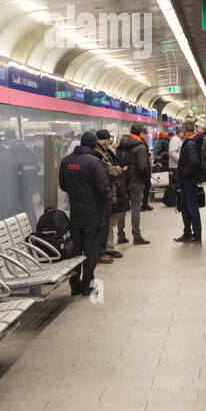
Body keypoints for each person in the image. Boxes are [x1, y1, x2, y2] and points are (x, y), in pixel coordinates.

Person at [59, 131, 111, 295]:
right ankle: (87, 285)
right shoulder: (94, 162)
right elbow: (103, 188)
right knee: (90, 251)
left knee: (76, 250)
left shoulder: (66, 161)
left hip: (75, 212)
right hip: (93, 213)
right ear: (94, 144)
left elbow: (63, 186)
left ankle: (75, 284)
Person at [116, 123, 151, 244]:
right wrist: (146, 179)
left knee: (122, 208)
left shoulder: (122, 143)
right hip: (136, 181)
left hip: (122, 179)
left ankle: (121, 235)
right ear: (141, 133)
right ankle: (137, 236)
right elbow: (142, 166)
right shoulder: (140, 147)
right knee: (135, 208)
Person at [95, 130, 125, 262]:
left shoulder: (103, 152)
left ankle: (108, 248)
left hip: (108, 191)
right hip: (105, 192)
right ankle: (105, 249)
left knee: (111, 221)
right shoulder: (99, 154)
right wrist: (119, 169)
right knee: (107, 222)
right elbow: (110, 171)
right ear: (106, 141)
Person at [174, 119, 204, 242]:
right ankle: (187, 233)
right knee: (185, 206)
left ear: (184, 129)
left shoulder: (191, 143)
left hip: (189, 180)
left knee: (192, 207)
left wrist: (185, 173)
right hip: (187, 180)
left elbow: (195, 162)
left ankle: (196, 234)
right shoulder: (191, 141)